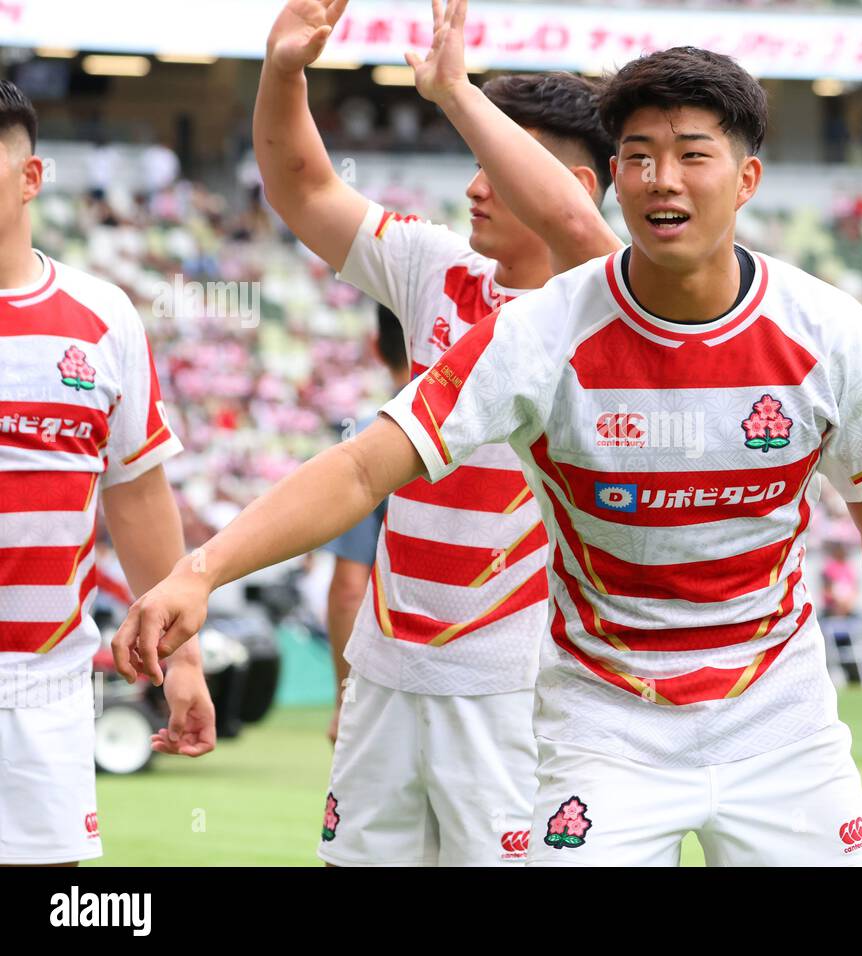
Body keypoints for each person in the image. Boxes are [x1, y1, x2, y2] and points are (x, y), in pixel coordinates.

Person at [115, 45, 862, 867]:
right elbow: (367, 466)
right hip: (603, 729)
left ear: (747, 179)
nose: (664, 179)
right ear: (615, 178)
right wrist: (202, 569)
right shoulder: (539, 330)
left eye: (692, 155)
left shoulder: (829, 332)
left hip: (780, 724)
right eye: (641, 157)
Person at [252, 0, 619, 865]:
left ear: (578, 188)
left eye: (498, 161)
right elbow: (303, 185)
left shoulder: (606, 311)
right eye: (475, 158)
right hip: (386, 671)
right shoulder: (434, 270)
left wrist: (453, 90)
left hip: (515, 688)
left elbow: (585, 247)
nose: (474, 184)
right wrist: (282, 72)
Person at [0, 80, 214, 867]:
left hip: (44, 688)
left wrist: (183, 660)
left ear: (31, 177)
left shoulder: (102, 318)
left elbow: (137, 497)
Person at [322, 304, 408, 745]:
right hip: (500, 682)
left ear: (375, 348)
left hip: (390, 683)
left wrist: (344, 699)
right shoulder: (504, 430)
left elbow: (349, 588)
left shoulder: (365, 440)